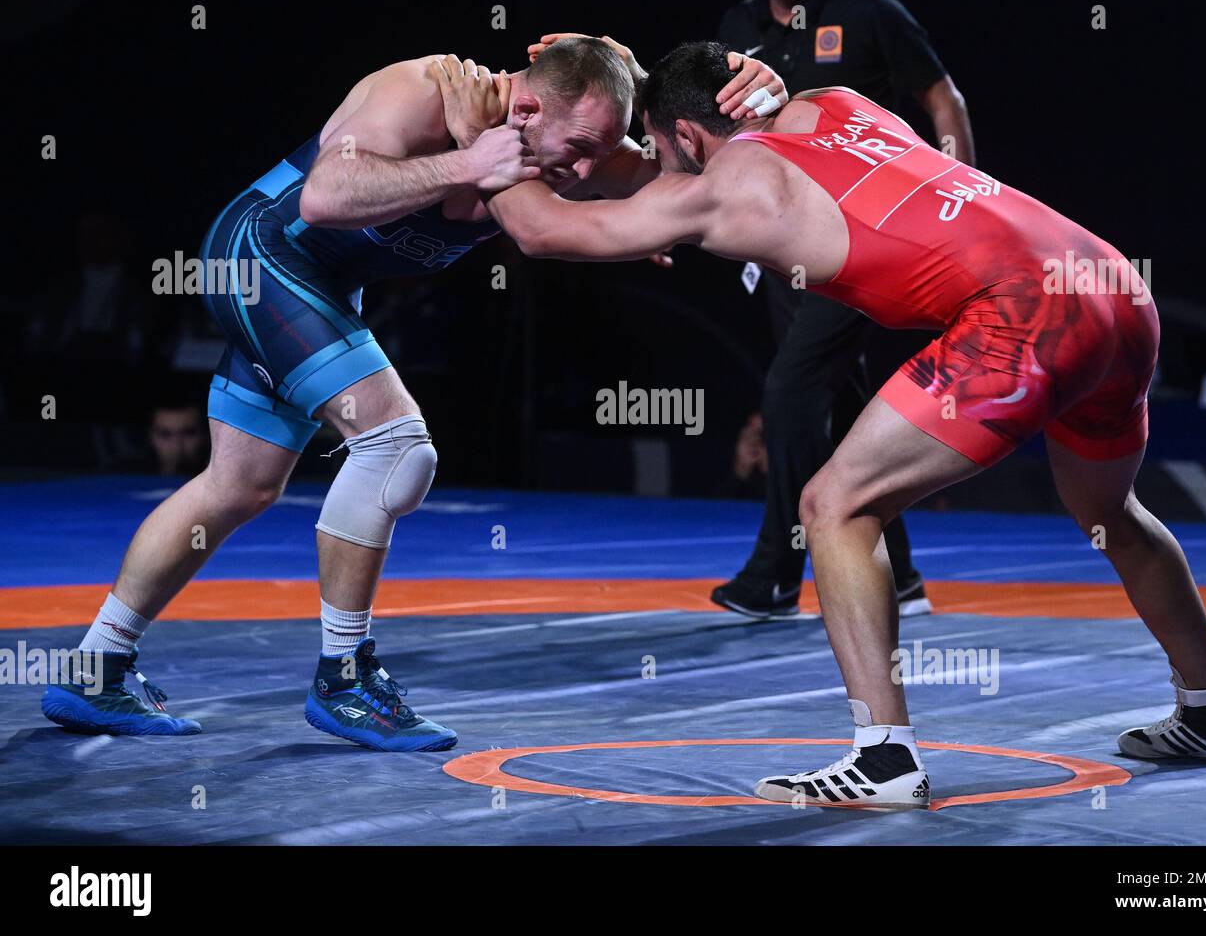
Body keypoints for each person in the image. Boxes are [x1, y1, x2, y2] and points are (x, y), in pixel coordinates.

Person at [468, 42, 1206, 807]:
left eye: (659, 145)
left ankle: (883, 755)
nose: (651, 165)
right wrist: (642, 72)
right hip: (1112, 287)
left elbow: (545, 232)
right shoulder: (835, 103)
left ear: (684, 135)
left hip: (1021, 316)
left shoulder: (721, 188)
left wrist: (479, 140)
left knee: (835, 505)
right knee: (1113, 514)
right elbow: (718, 137)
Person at [40, 38, 790, 751]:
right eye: (583, 149)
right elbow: (327, 196)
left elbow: (697, 183)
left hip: (316, 287)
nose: (593, 169)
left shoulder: (561, 144)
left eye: (602, 150)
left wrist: (768, 101)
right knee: (397, 446)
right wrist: (465, 161)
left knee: (237, 484)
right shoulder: (422, 91)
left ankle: (96, 666)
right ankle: (344, 677)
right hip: (258, 255)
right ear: (527, 113)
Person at [710, 0, 976, 619]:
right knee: (835, 393)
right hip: (781, 247)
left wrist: (960, 193)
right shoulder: (736, 27)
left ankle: (775, 573)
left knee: (790, 393)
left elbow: (945, 100)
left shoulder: (869, 11)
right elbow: (718, 132)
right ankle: (902, 575)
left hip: (858, 241)